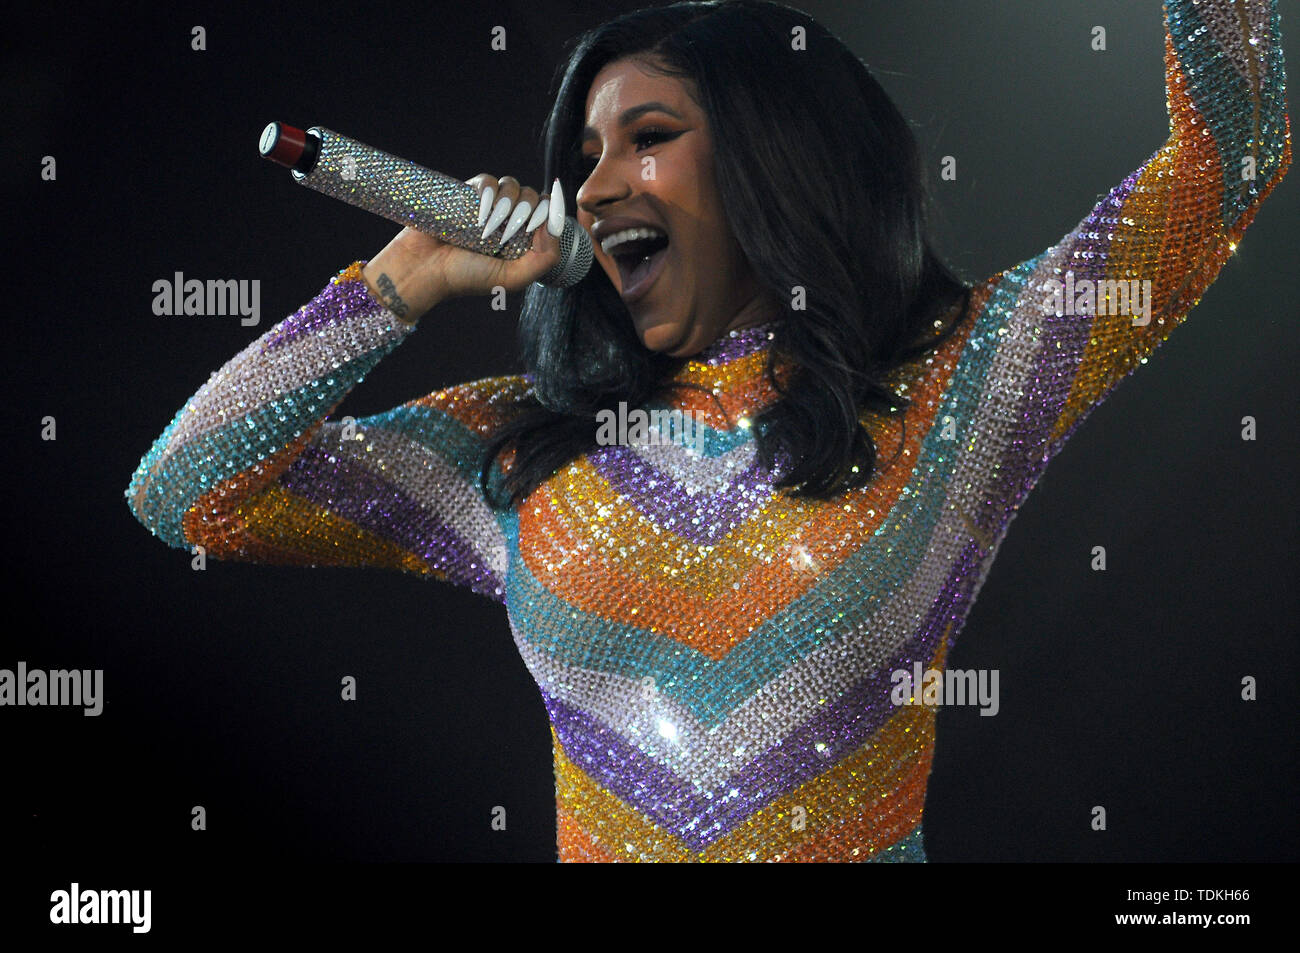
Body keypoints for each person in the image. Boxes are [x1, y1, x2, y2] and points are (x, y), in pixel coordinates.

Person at [125, 0, 1290, 861]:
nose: (588, 190)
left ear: (770, 153)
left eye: (645, 137)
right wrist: (400, 279)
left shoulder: (964, 382)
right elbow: (182, 492)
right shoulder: (523, 448)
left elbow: (1225, 161)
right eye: (580, 159)